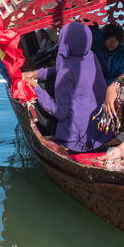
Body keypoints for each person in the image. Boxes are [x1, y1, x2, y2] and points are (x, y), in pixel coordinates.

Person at [22, 21, 111, 153]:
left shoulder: (66, 69)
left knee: (41, 94)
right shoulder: (91, 56)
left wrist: (36, 87)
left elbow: (60, 113)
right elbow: (64, 70)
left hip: (78, 135)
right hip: (100, 126)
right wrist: (37, 73)